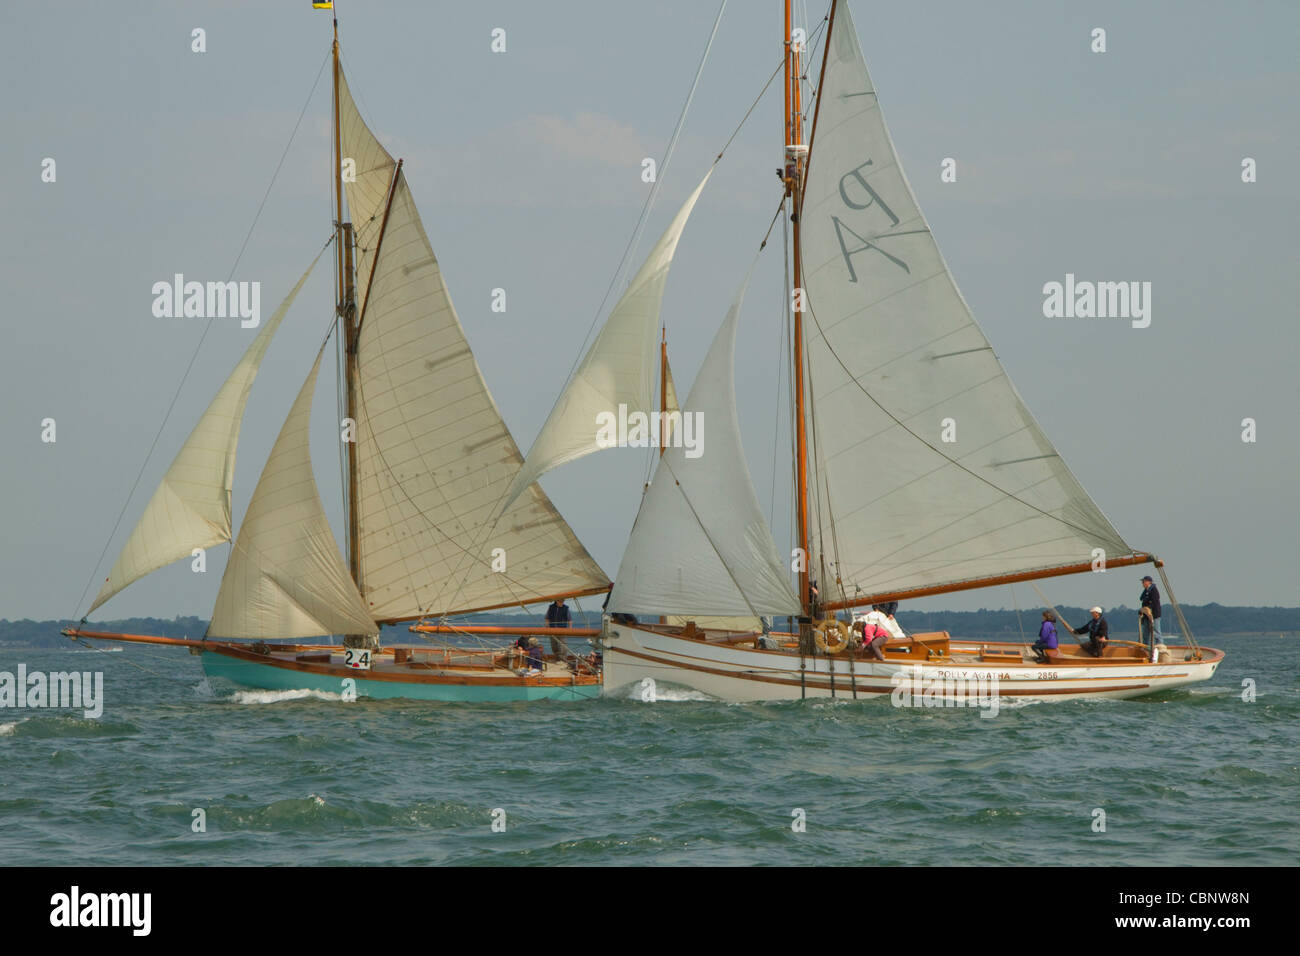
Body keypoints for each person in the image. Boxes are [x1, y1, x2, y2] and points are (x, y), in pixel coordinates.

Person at [1139, 575, 1162, 661]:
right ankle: (1145, 650)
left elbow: (1155, 602)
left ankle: (1160, 649)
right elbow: (1141, 599)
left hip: (1154, 615)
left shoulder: (1154, 590)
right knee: (1145, 634)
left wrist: (1148, 608)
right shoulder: (1146, 591)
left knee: (1156, 632)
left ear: (1149, 582)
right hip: (1146, 616)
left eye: (1144, 581)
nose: (1142, 583)